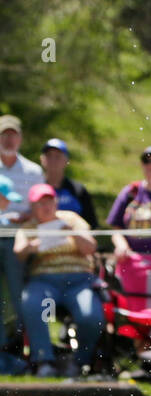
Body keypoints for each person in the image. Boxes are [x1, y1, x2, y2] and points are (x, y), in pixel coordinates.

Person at [13, 183, 103, 376]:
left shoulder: (71, 219)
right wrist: (31, 247)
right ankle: (44, 361)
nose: (46, 207)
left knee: (90, 316)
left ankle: (79, 362)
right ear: (33, 207)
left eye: (49, 201)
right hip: (44, 281)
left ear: (55, 202)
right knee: (33, 305)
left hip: (79, 281)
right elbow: (18, 252)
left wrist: (70, 231)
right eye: (40, 203)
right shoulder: (28, 227)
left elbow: (90, 247)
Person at [0, 114, 45, 345]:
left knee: (17, 294)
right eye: (4, 135)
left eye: (12, 135)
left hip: (18, 237)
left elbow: (41, 208)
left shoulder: (33, 171)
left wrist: (25, 216)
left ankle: (15, 345)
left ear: (20, 139)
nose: (8, 140)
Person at [39, 139, 99, 229]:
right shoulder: (36, 189)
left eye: (57, 156)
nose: (53, 160)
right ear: (42, 159)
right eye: (49, 156)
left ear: (66, 160)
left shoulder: (77, 190)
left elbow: (91, 224)